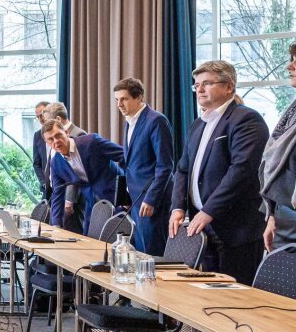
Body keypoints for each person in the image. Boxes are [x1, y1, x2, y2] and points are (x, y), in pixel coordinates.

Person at [169, 60, 268, 285]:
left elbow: (241, 171)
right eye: (196, 85)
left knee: (234, 299)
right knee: (210, 294)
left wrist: (209, 210)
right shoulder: (198, 124)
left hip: (235, 229)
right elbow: (183, 169)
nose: (200, 89)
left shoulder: (246, 119)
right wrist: (178, 207)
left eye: (207, 83)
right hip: (202, 226)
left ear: (229, 87)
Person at [113, 78, 174, 255]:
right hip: (136, 198)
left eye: (124, 99)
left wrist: (151, 198)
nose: (119, 104)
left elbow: (165, 165)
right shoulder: (129, 122)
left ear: (138, 97)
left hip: (152, 200)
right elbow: (132, 164)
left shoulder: (156, 120)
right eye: (117, 100)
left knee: (152, 253)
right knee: (141, 251)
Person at [43, 119, 124, 233]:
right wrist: (56, 225)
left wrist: (128, 190)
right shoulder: (56, 163)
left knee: (119, 238)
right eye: (50, 139)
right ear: (47, 143)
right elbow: (57, 194)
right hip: (91, 201)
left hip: (116, 196)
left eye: (58, 135)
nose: (56, 141)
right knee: (89, 237)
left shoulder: (91, 142)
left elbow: (124, 156)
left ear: (66, 133)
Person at [261, 42, 296, 252]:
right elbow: (281, 170)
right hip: (285, 221)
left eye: (295, 63)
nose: (289, 67)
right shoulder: (291, 111)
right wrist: (273, 216)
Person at [43, 102, 87, 232]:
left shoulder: (79, 135)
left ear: (57, 119)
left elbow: (77, 170)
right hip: (58, 190)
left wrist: (69, 198)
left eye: (47, 120)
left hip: (73, 199)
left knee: (74, 232)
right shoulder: (51, 135)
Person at [31, 101, 53, 200]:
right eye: (38, 117)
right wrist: (44, 182)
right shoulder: (37, 135)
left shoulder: (61, 134)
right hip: (46, 189)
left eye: (42, 115)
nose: (40, 119)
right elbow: (36, 163)